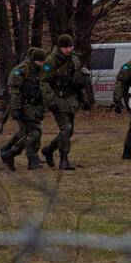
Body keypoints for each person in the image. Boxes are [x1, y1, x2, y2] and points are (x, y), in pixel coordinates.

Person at [39, 34, 90, 170]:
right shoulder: (50, 61)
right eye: (65, 47)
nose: (68, 49)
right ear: (59, 47)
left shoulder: (74, 60)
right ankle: (63, 159)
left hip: (71, 99)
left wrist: (83, 99)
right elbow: (44, 83)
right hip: (57, 98)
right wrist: (50, 101)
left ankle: (49, 150)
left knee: (69, 131)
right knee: (66, 128)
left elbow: (77, 82)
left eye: (70, 46)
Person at [0, 48, 49, 170]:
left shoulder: (41, 70)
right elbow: (14, 91)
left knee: (27, 133)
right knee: (33, 133)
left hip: (35, 108)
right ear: (34, 60)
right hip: (24, 106)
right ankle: (30, 158)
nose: (43, 63)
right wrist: (16, 109)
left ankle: (8, 151)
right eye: (41, 61)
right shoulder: (21, 70)